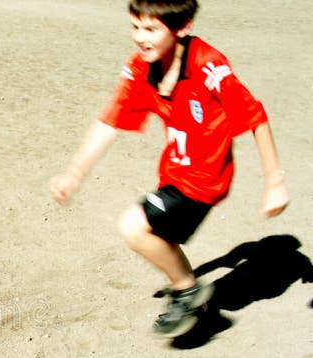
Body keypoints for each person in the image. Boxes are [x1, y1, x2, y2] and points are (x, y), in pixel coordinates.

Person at [49, 0, 290, 337]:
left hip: (204, 181)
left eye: (150, 29)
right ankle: (196, 303)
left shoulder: (208, 66)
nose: (139, 38)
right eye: (135, 27)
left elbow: (255, 116)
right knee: (158, 236)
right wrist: (73, 173)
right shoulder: (141, 68)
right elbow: (109, 122)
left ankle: (188, 291)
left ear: (182, 27)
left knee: (134, 227)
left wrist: (274, 182)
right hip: (174, 174)